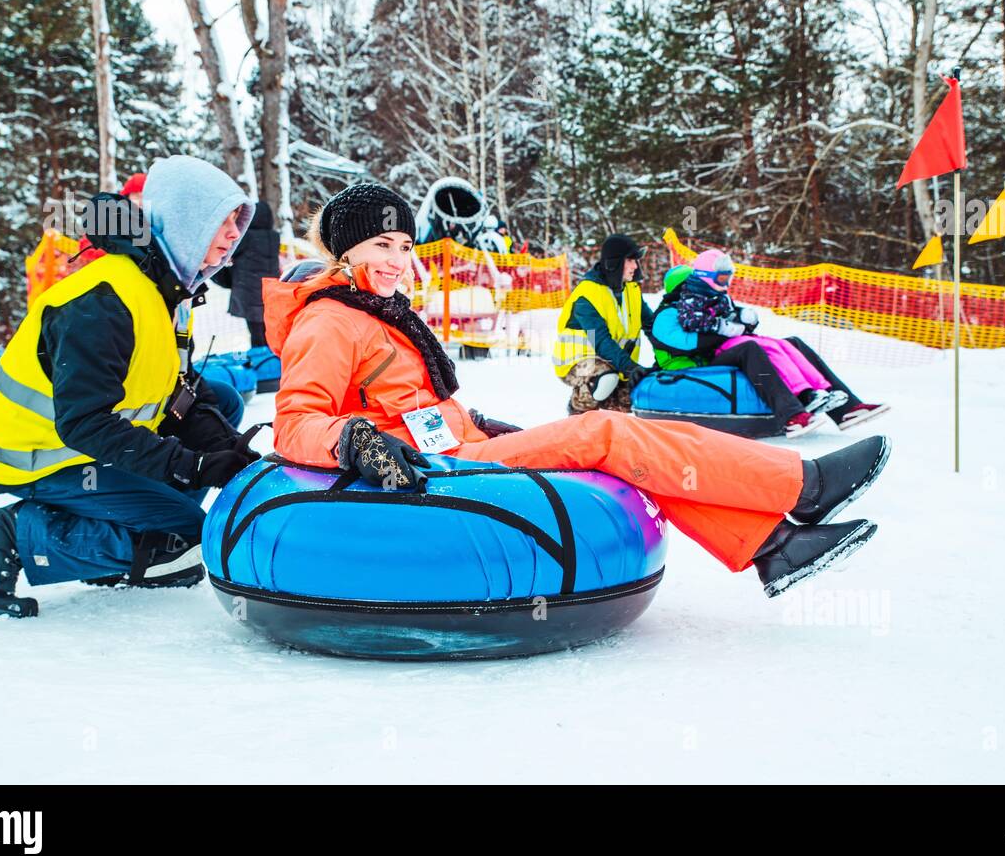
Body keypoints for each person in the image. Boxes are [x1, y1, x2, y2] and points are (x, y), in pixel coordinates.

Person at [264, 183, 892, 599]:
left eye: (403, 245)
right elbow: (294, 422)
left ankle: (776, 545)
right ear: (348, 251)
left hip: (455, 443)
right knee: (606, 430)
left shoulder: (380, 310)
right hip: (424, 468)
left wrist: (477, 420)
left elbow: (406, 399)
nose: (399, 259)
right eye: (382, 245)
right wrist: (352, 439)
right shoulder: (330, 319)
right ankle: (800, 486)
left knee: (635, 444)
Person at [0, 156, 261, 617]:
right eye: (222, 220)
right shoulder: (104, 301)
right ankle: (9, 534)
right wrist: (192, 468)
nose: (235, 234)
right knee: (188, 540)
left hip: (81, 442)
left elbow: (182, 392)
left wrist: (232, 456)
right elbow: (86, 423)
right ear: (185, 223)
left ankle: (143, 526)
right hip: (34, 452)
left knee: (224, 402)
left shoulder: (167, 290)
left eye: (238, 221)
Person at [650, 252, 890, 437]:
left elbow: (729, 320)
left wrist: (743, 321)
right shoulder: (667, 316)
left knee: (792, 343)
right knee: (749, 349)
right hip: (692, 366)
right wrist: (727, 329)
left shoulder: (712, 302)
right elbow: (688, 345)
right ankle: (793, 414)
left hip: (715, 355)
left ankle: (847, 408)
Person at [553, 233, 656, 414]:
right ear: (615, 263)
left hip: (613, 361)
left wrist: (670, 355)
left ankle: (609, 434)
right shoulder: (587, 294)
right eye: (630, 260)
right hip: (577, 361)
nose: (635, 266)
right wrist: (632, 368)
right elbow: (601, 341)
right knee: (605, 381)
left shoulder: (631, 290)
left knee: (630, 397)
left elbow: (652, 326)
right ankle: (578, 410)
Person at [211, 199, 281, 348]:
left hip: (249, 293)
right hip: (268, 294)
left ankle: (261, 364)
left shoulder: (247, 237)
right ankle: (268, 362)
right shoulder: (274, 237)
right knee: (266, 332)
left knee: (256, 334)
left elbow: (230, 253)